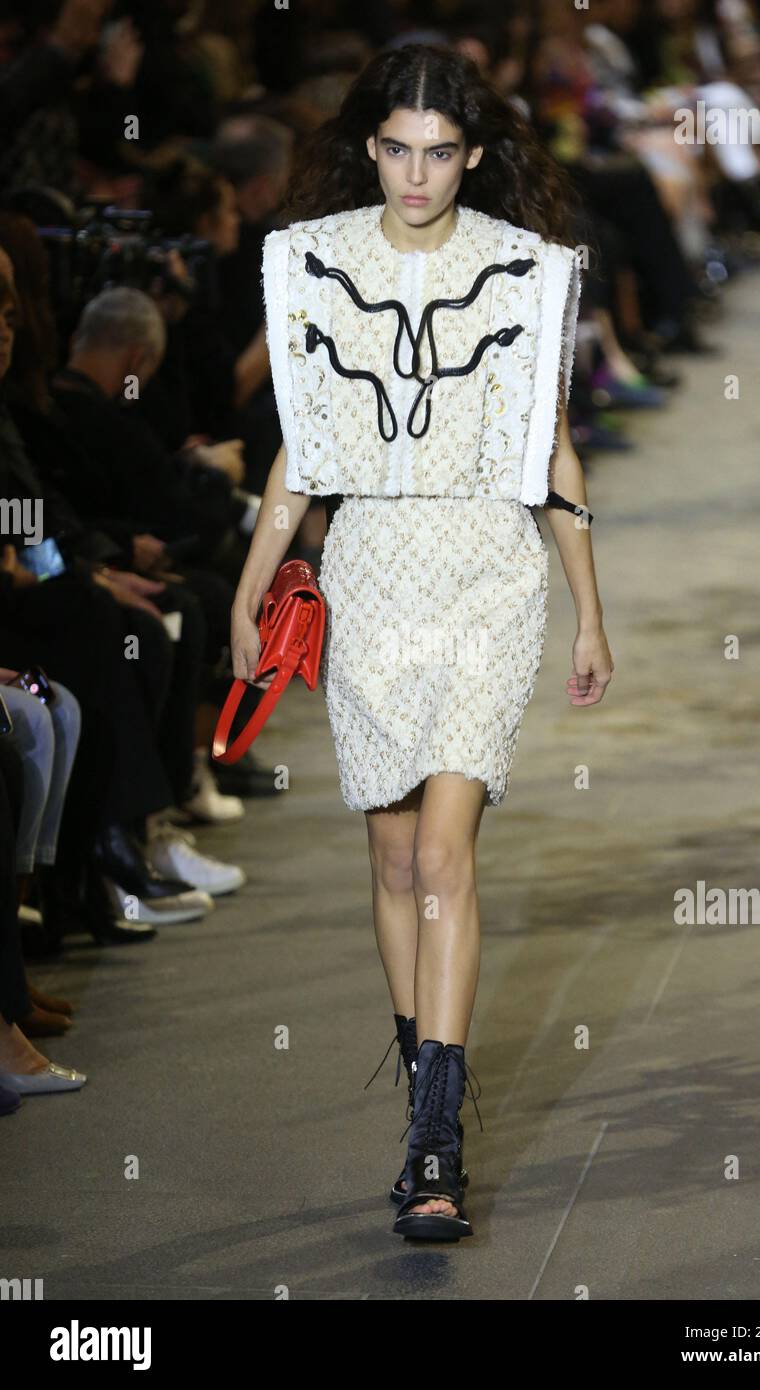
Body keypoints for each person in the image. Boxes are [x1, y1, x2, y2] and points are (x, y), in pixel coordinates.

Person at [230, 43, 614, 1243]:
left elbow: (548, 447)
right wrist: (251, 589)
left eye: (440, 151)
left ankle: (434, 1141)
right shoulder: (312, 264)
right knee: (394, 864)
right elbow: (302, 447)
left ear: (475, 157)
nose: (416, 173)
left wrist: (587, 606)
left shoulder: (522, 271)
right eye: (396, 148)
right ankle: (424, 1090)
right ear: (368, 149)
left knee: (445, 853)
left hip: (489, 575)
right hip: (374, 572)